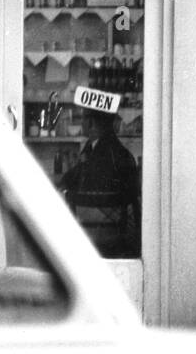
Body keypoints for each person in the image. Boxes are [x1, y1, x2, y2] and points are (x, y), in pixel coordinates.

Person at [59, 107, 140, 259]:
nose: (81, 123)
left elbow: (72, 180)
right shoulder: (122, 153)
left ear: (91, 124)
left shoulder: (94, 152)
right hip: (117, 235)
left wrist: (63, 188)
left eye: (82, 119)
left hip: (89, 237)